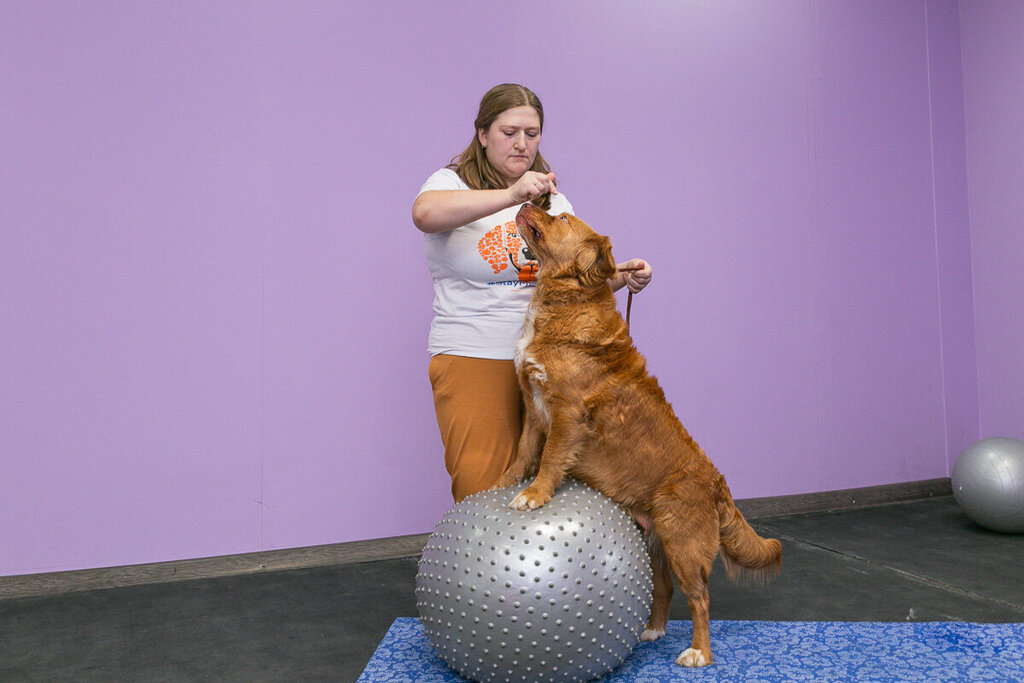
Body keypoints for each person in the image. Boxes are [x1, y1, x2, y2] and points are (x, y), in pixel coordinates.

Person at [413, 83, 653, 502]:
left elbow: (575, 282)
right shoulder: (451, 181)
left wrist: (621, 276)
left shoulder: (552, 200)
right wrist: (511, 195)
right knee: (482, 486)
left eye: (532, 133)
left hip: (550, 353)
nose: (522, 143)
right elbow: (425, 215)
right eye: (509, 132)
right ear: (483, 134)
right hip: (474, 351)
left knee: (557, 483)